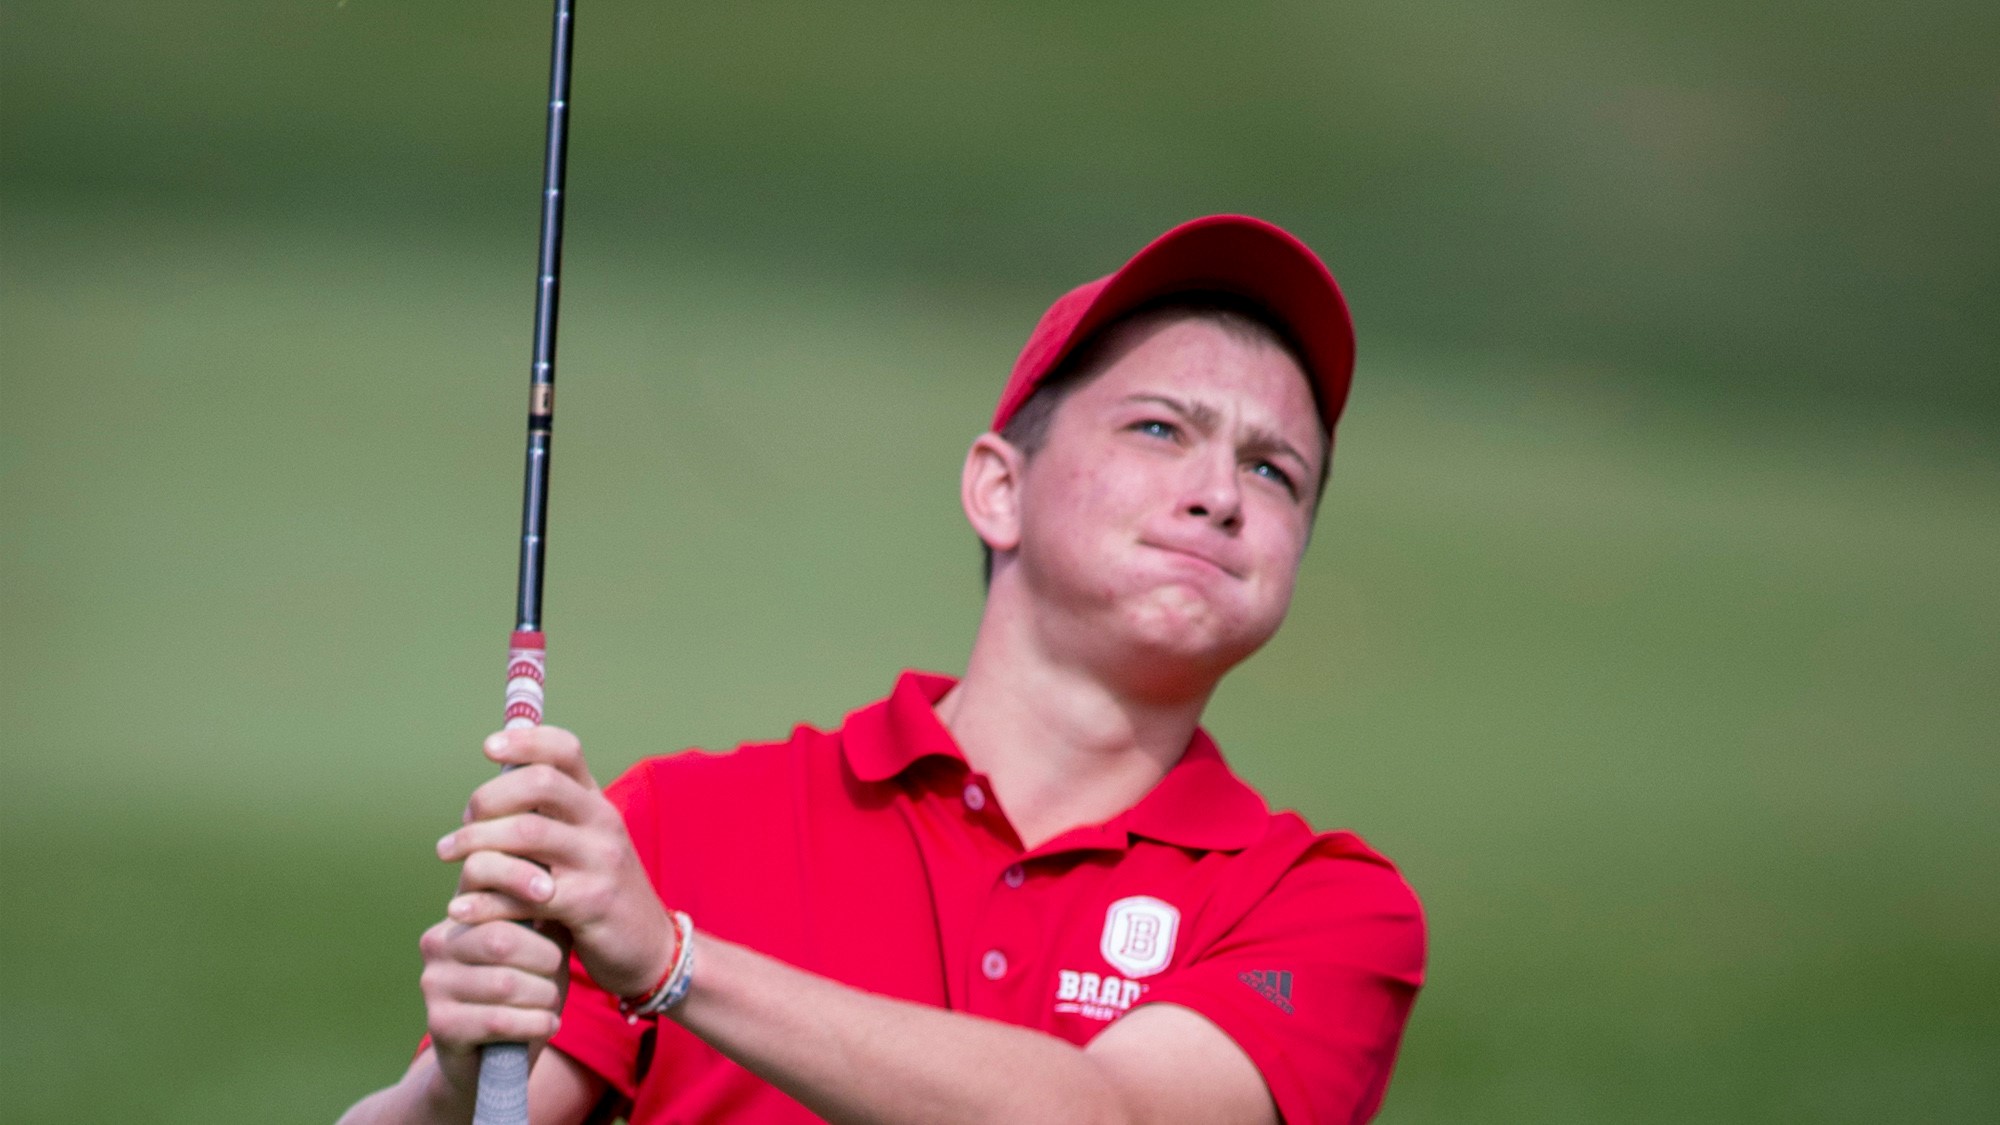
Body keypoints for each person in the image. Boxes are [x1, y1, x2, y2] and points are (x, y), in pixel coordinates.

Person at [341, 214, 1425, 1125]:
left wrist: (673, 965)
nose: (1220, 494)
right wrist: (449, 1081)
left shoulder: (1324, 908)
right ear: (998, 488)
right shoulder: (678, 828)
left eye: (1272, 470)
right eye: (1157, 428)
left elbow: (1107, 1116)